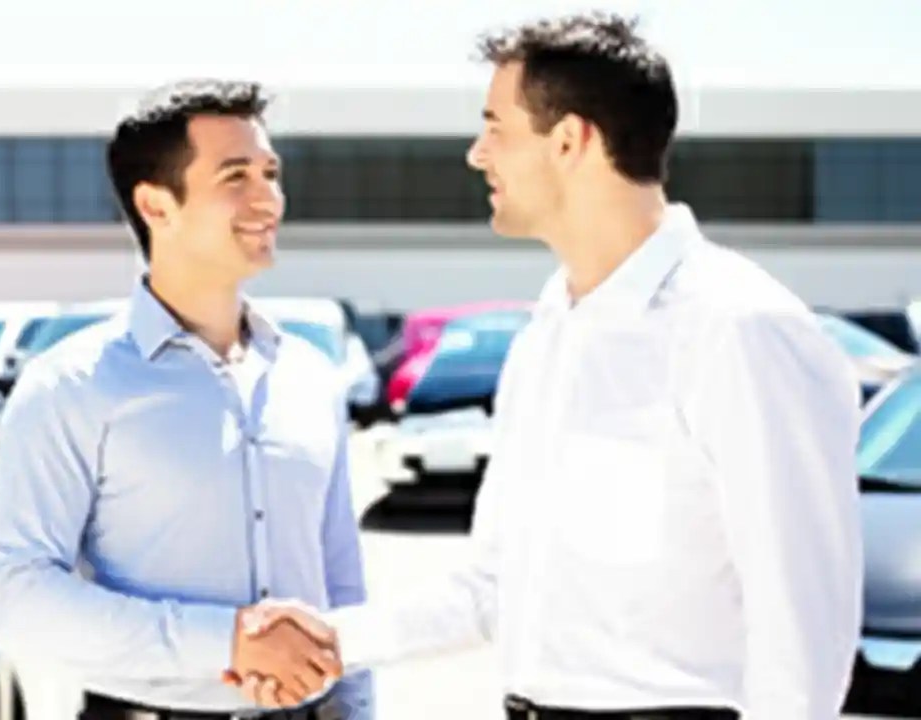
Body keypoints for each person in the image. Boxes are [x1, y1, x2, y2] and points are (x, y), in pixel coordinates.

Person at [231, 12, 863, 720]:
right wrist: (332, 639)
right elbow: (495, 586)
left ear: (570, 140)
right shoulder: (548, 336)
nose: (477, 154)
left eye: (496, 126)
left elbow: (804, 626)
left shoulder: (740, 331)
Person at [0, 79, 372, 719]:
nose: (268, 197)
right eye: (235, 176)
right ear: (157, 206)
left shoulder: (307, 375)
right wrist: (226, 642)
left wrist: (357, 709)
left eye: (271, 172)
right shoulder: (72, 386)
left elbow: (341, 581)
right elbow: (17, 595)